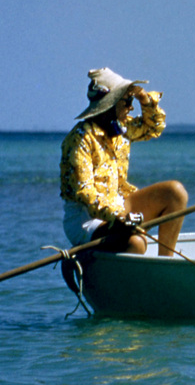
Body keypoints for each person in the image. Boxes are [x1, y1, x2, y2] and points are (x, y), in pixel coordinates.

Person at [60, 67, 188, 256]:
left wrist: (144, 98)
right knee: (136, 244)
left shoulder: (121, 127)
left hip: (119, 205)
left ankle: (165, 264)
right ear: (109, 106)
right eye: (127, 101)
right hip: (87, 217)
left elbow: (153, 127)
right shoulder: (80, 139)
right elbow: (85, 193)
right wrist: (117, 217)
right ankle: (89, 257)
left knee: (175, 192)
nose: (131, 107)